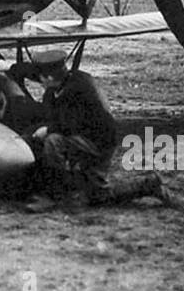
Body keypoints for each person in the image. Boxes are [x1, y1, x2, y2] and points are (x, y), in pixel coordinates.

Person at [23, 50, 173, 212]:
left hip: (98, 143)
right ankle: (148, 184)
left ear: (50, 78)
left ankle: (53, 196)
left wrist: (47, 130)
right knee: (99, 196)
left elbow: (71, 125)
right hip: (83, 139)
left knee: (53, 141)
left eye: (41, 79)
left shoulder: (80, 88)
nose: (39, 82)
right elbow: (53, 118)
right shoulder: (60, 86)